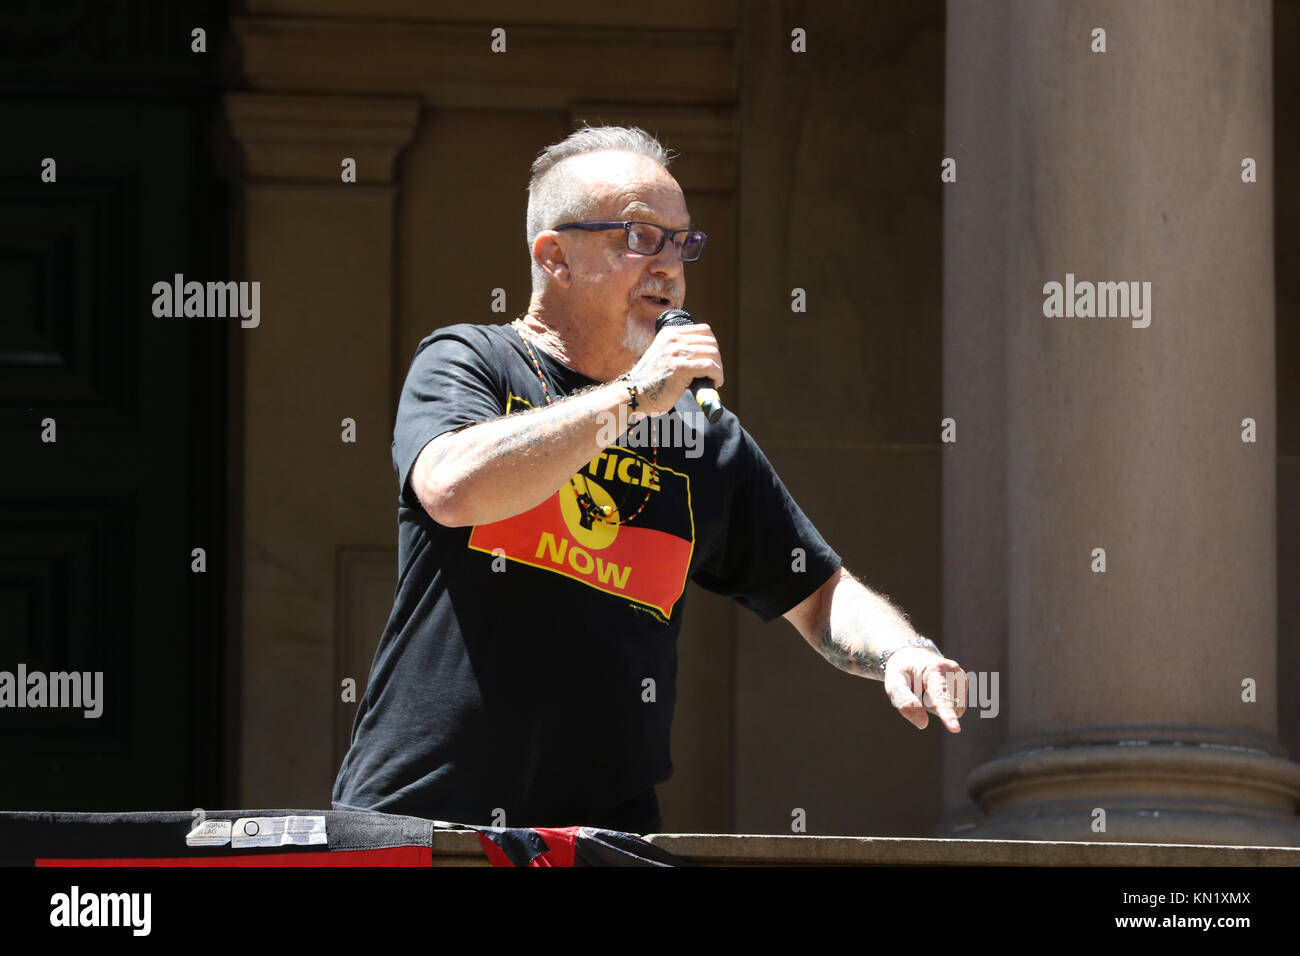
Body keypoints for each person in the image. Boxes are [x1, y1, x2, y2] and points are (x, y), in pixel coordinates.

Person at [331, 125, 966, 835]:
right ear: (555, 257)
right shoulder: (471, 360)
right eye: (639, 238)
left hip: (603, 836)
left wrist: (902, 651)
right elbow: (453, 490)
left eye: (682, 242)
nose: (669, 265)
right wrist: (633, 396)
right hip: (427, 821)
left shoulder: (700, 432)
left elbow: (818, 593)